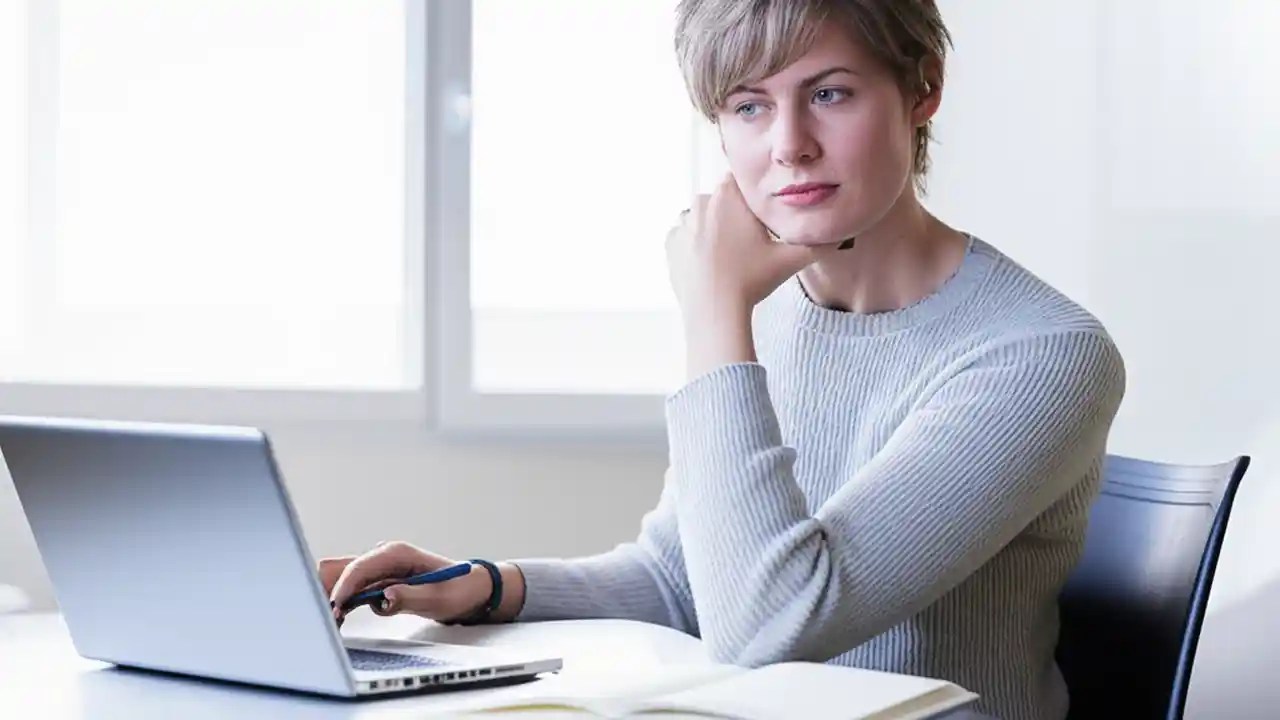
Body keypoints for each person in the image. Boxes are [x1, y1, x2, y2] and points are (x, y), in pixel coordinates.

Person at [322, 2, 1126, 719]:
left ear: (923, 89)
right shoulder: (766, 315)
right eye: (750, 105)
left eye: (830, 93)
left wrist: (714, 314)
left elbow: (771, 622)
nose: (789, 146)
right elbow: (682, 578)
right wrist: (490, 587)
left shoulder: (1040, 354)